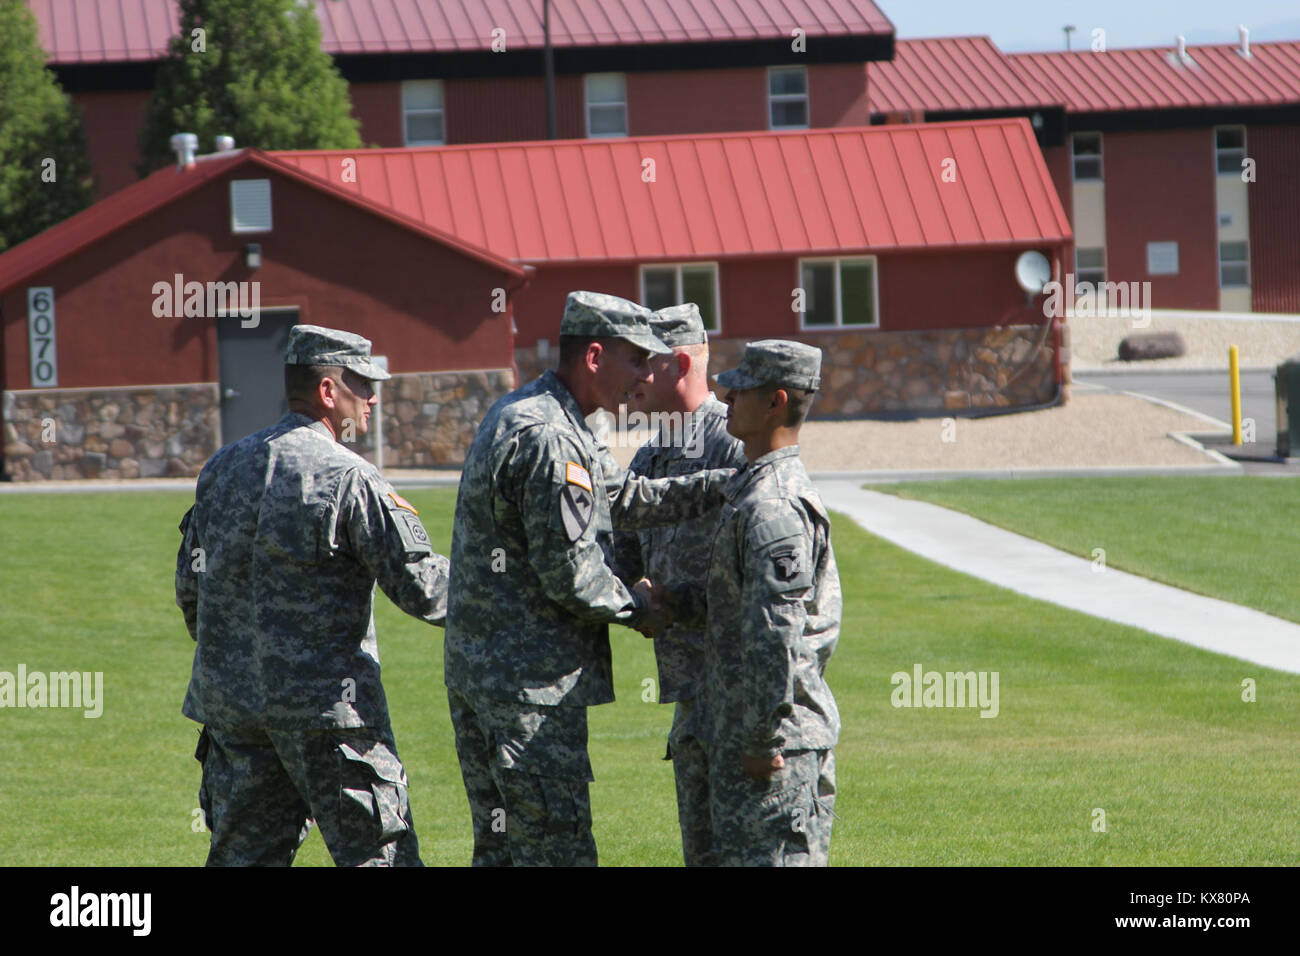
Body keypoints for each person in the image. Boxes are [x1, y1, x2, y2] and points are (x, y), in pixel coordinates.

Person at [443, 291, 736, 867]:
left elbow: (620, 498)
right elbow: (571, 575)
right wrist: (640, 607)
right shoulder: (551, 436)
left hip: (492, 676)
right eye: (635, 361)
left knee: (503, 851)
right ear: (596, 357)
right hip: (529, 687)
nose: (641, 378)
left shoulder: (537, 412)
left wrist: (720, 483)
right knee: (555, 849)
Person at [175, 324, 449, 867]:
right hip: (330, 716)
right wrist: (516, 586)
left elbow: (191, 591)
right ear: (328, 391)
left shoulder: (222, 469)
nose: (373, 397)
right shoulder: (349, 476)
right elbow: (425, 588)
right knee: (379, 857)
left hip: (235, 712)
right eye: (363, 384)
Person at [667, 339, 841, 866]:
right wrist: (672, 603)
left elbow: (775, 635)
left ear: (776, 402)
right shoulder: (753, 486)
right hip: (744, 736)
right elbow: (738, 603)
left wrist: (763, 740)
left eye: (742, 389)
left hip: (773, 749)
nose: (727, 396)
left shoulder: (775, 507)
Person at [612, 303, 746, 866]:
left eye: (647, 360)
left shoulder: (735, 443)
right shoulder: (648, 457)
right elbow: (618, 559)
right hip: (690, 700)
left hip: (740, 694)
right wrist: (633, 598)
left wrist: (675, 605)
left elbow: (759, 581)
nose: (634, 374)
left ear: (682, 362)